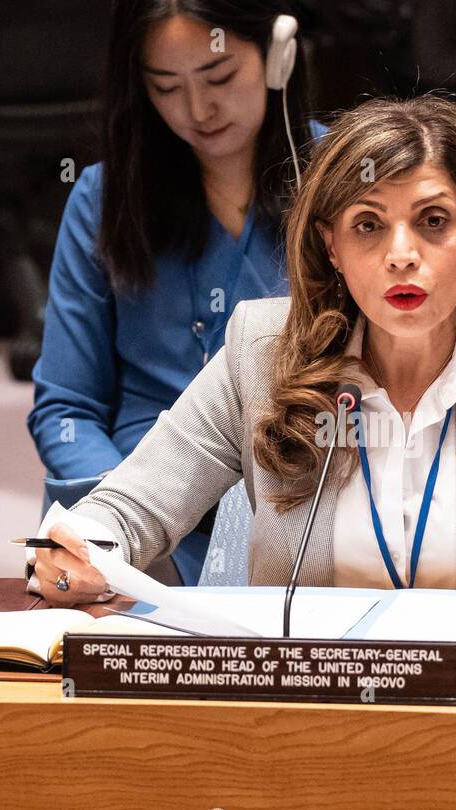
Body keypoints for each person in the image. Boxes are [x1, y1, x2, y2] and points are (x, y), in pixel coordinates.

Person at [34, 94, 456, 619]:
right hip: (306, 719)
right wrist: (82, 553)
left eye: (434, 222)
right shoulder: (262, 354)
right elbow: (123, 512)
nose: (402, 253)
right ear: (332, 247)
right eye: (368, 225)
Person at [27, 0, 320, 588]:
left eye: (219, 77)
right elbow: (67, 409)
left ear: (277, 55)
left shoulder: (347, 180)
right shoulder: (104, 199)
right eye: (166, 88)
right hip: (135, 499)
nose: (198, 110)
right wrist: (123, 515)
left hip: (299, 503)